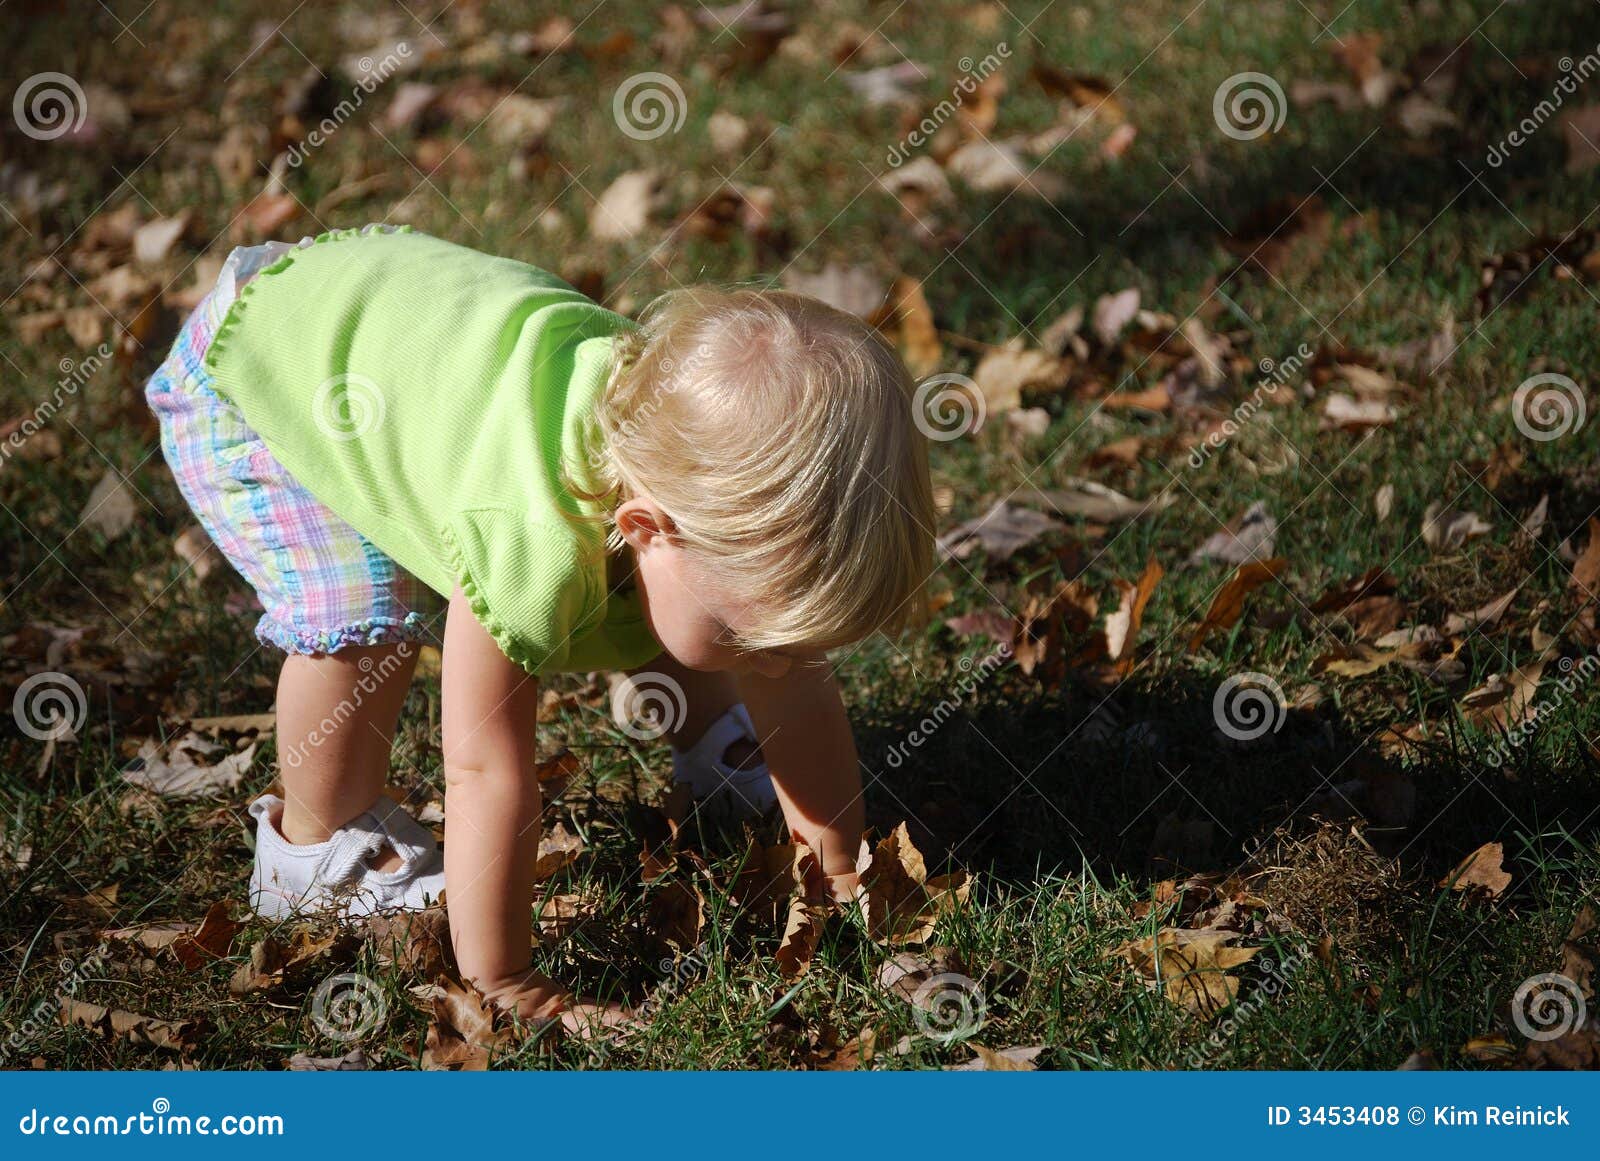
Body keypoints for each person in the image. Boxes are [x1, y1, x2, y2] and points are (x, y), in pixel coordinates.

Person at [143, 224, 935, 1027]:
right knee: (361, 620)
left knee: (681, 608)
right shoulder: (527, 539)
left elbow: (789, 683)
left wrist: (837, 874)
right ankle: (316, 846)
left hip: (376, 320)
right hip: (260, 369)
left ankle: (705, 736)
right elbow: (486, 769)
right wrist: (507, 979)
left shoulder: (675, 457)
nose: (780, 668)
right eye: (756, 642)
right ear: (644, 525)